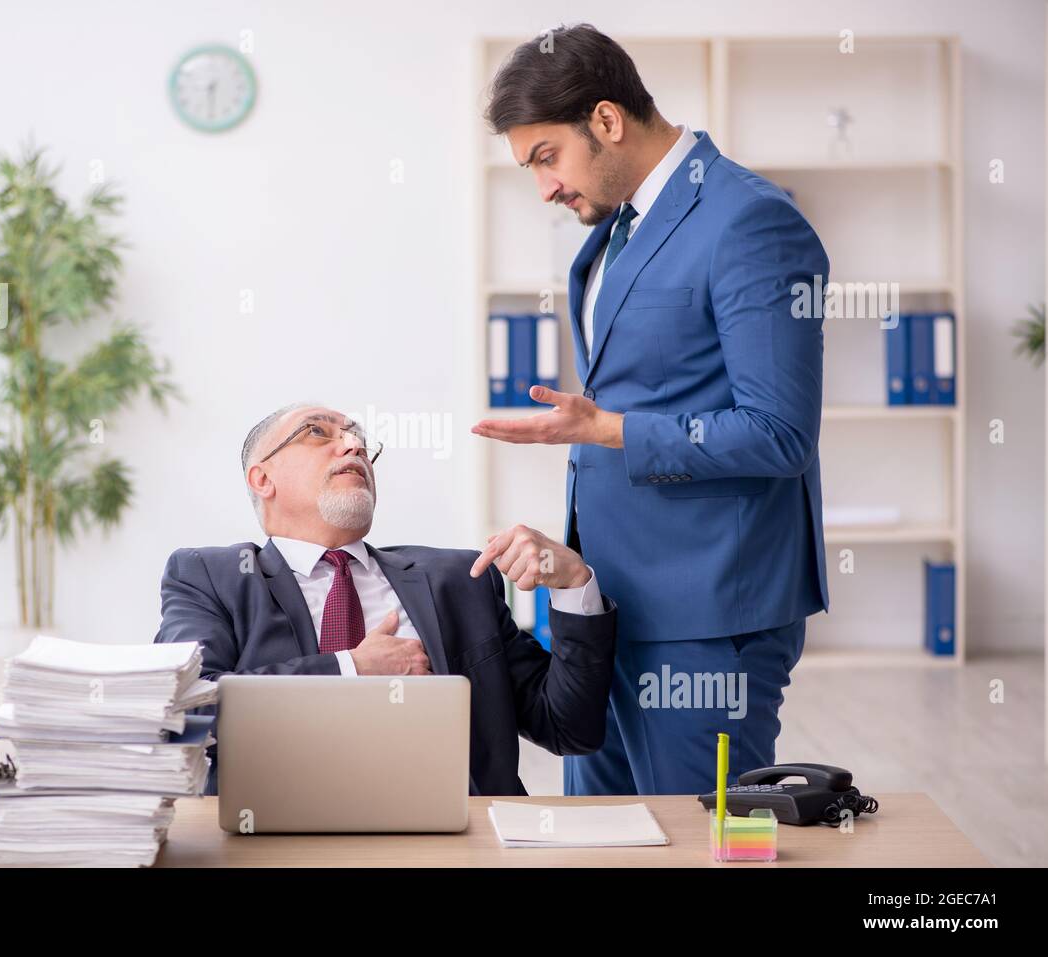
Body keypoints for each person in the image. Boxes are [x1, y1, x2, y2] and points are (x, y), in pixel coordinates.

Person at [474, 23, 829, 796]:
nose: (543, 188)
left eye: (546, 158)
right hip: (603, 604)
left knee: (696, 835)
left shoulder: (749, 221)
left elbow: (780, 433)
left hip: (705, 617)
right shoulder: (615, 232)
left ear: (606, 121)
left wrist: (603, 428)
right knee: (598, 841)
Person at [153, 403, 618, 795]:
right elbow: (187, 713)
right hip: (279, 843)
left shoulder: (460, 578)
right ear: (262, 478)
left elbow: (567, 726)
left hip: (458, 846)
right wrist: (352, 669)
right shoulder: (209, 576)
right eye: (317, 432)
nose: (354, 445)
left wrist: (573, 585)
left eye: (360, 440)